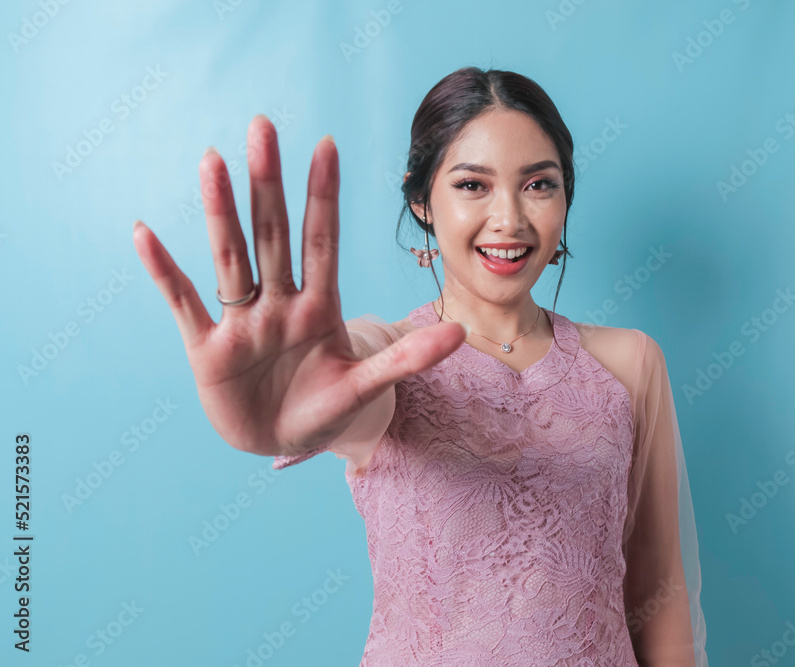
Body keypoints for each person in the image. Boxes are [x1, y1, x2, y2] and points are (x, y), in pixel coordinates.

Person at [132, 66, 708, 666]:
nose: (509, 218)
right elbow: (355, 371)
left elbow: (657, 589)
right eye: (472, 185)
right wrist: (292, 395)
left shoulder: (629, 363)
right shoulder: (389, 359)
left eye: (539, 184)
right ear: (421, 200)